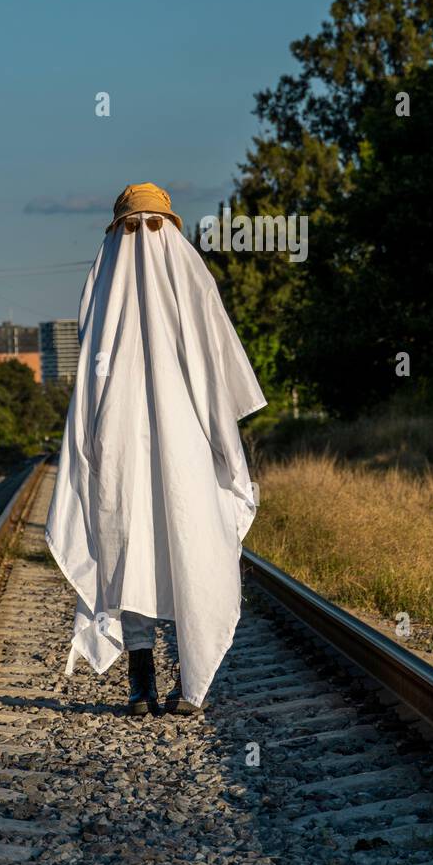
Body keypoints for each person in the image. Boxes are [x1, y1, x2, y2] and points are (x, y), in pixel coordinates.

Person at [46, 182, 267, 715]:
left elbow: (91, 371)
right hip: (183, 439)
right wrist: (224, 442)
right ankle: (187, 684)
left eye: (147, 227)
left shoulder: (105, 273)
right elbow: (217, 367)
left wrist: (89, 443)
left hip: (120, 438)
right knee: (187, 545)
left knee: (130, 549)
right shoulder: (186, 272)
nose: (143, 238)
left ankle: (143, 682)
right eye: (138, 227)